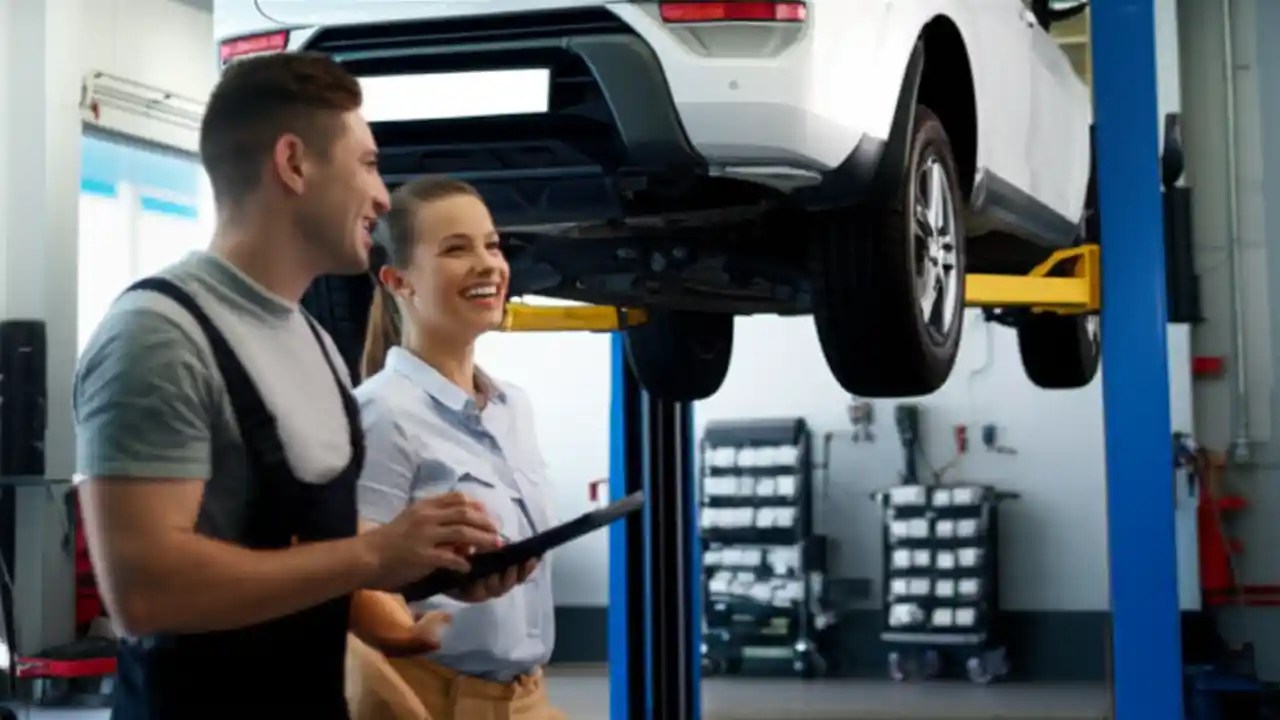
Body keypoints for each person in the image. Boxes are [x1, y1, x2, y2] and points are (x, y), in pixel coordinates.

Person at [72, 52, 512, 719]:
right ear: (294, 163)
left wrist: (412, 588)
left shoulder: (313, 341)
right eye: (367, 164)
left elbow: (306, 538)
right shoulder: (158, 337)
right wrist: (372, 554)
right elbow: (146, 593)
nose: (383, 196)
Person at [349, 175, 565, 720]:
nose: (488, 264)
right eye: (456, 249)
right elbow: (352, 583)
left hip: (527, 697)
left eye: (492, 245)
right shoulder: (382, 414)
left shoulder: (513, 407)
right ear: (399, 281)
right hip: (431, 698)